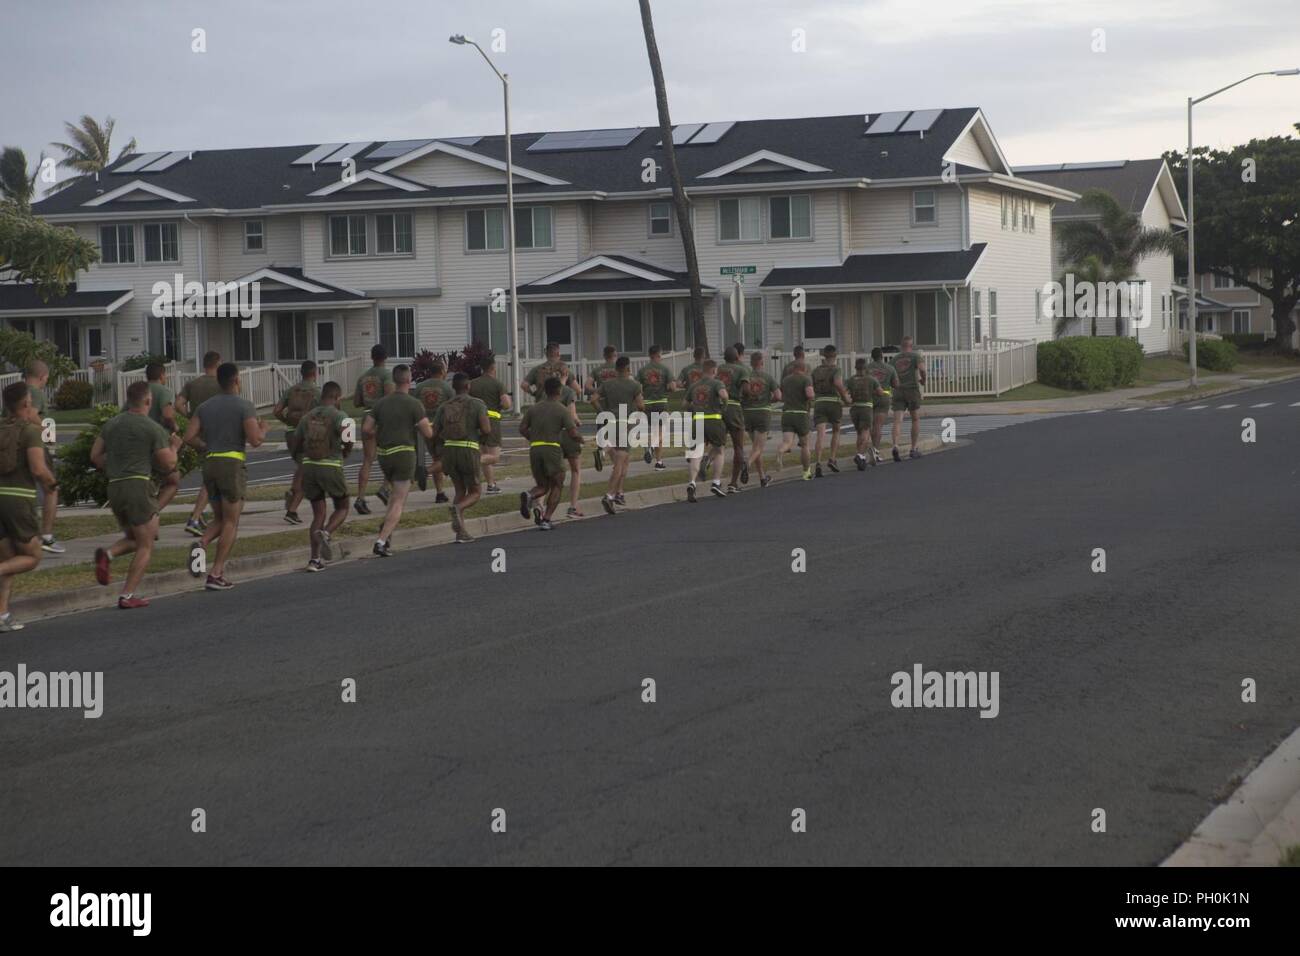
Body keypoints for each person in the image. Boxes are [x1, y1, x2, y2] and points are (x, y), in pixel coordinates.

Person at [91, 381, 181, 608]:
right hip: (138, 486)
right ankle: (127, 595)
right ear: (148, 401)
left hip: (115, 487)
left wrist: (114, 466)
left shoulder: (111, 424)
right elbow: (168, 463)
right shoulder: (152, 428)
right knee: (146, 544)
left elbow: (95, 456)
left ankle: (108, 555)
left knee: (135, 537)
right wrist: (175, 448)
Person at [184, 362, 270, 590]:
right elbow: (255, 440)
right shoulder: (244, 406)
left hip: (210, 463)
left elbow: (189, 436)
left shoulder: (204, 407)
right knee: (232, 521)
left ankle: (201, 544)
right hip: (232, 465)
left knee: (220, 518)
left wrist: (206, 445)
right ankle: (216, 572)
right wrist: (263, 429)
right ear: (236, 380)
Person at [0, 382, 57, 631]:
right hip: (18, 500)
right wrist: (51, 483)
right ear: (26, 404)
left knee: (9, 558)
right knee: (33, 556)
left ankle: (2, 615)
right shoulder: (30, 431)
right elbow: (37, 468)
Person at [364, 365, 433, 557]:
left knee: (393, 497)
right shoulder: (414, 404)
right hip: (404, 454)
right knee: (399, 501)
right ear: (409, 380)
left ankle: (386, 535)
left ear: (394, 380)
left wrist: (383, 431)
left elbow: (367, 429)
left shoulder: (380, 404)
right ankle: (381, 540)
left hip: (384, 455)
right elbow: (427, 432)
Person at [292, 381, 352, 572]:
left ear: (322, 396)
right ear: (337, 397)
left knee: (318, 513)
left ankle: (314, 559)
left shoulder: (307, 417)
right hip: (331, 465)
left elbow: (296, 442)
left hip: (309, 467)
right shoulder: (340, 415)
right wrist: (345, 452)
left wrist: (300, 459)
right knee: (342, 506)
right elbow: (349, 437)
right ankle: (326, 533)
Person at [429, 372, 492, 544]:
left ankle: (461, 532)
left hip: (449, 451)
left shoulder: (444, 406)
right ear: (468, 386)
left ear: (453, 388)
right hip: (468, 451)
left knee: (459, 490)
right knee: (475, 492)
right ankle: (458, 508)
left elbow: (433, 432)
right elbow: (486, 429)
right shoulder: (477, 404)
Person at [519, 377, 583, 531]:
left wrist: (532, 438)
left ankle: (529, 495)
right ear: (559, 391)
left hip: (535, 449)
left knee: (543, 485)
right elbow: (572, 432)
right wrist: (580, 439)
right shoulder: (562, 409)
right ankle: (546, 519)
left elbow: (522, 428)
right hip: (552, 450)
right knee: (557, 484)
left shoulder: (533, 409)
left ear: (545, 391)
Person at [176, 350, 222, 537]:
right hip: (217, 436)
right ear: (218, 363)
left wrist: (190, 417)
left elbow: (178, 404)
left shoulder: (192, 384)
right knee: (210, 480)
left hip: (197, 434)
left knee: (211, 477)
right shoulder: (222, 384)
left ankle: (200, 516)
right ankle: (195, 518)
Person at [594, 355, 644, 514]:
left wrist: (602, 412)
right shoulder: (634, 385)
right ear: (628, 369)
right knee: (620, 462)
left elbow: (593, 399)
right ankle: (609, 495)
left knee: (623, 460)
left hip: (610, 422)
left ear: (616, 369)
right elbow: (641, 405)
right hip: (626, 424)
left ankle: (618, 493)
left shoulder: (607, 384)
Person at [273, 359, 320, 525]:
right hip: (307, 435)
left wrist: (288, 421)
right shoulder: (316, 391)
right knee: (307, 473)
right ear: (315, 373)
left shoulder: (291, 390)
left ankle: (293, 492)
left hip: (291, 434)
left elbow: (276, 410)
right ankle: (292, 510)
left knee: (301, 468)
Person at [24, 360, 63, 555]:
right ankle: (46, 536)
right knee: (51, 487)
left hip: (15, 444)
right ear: (43, 377)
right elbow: (30, 414)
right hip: (35, 445)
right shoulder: (36, 393)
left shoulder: (17, 392)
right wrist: (47, 432)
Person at [353, 344, 394, 515]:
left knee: (368, 459)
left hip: (366, 417)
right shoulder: (386, 375)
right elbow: (390, 397)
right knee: (391, 454)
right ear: (386, 357)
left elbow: (356, 402)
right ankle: (384, 488)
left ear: (372, 357)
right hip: (382, 418)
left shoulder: (363, 377)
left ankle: (360, 497)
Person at [684, 360, 728, 502]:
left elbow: (684, 404)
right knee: (719, 450)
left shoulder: (694, 385)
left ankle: (692, 483)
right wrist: (723, 407)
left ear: (703, 370)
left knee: (696, 454)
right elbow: (724, 395)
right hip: (714, 420)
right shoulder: (717, 383)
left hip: (698, 420)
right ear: (714, 371)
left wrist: (695, 408)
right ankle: (716, 482)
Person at [468, 355, 511, 494]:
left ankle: (491, 485)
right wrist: (499, 405)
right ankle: (471, 462)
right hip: (492, 422)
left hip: (475, 423)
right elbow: (506, 404)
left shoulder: (472, 383)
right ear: (493, 367)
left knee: (484, 453)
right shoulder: (497, 384)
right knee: (494, 457)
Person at [413, 360, 453, 503]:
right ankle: (425, 472)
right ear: (442, 372)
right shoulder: (447, 388)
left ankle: (440, 493)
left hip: (424, 429)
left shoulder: (419, 388)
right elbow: (454, 407)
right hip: (441, 429)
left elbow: (414, 406)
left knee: (437, 459)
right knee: (447, 460)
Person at [742, 351, 781, 489]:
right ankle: (746, 464)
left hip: (748, 414)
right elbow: (778, 396)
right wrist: (767, 400)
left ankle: (762, 478)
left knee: (755, 448)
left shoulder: (746, 377)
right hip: (763, 413)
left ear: (751, 363)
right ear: (762, 362)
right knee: (758, 448)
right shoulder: (768, 377)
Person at [810, 345, 850, 477]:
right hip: (833, 401)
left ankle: (818, 462)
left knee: (820, 434)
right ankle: (832, 459)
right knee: (836, 430)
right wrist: (845, 398)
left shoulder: (816, 371)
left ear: (824, 356)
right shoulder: (836, 369)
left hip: (820, 402)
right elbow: (838, 384)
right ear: (835, 356)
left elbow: (811, 385)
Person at [716, 346, 750, 492]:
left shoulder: (719, 370)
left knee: (719, 444)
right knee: (738, 446)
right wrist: (743, 396)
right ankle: (733, 482)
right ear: (737, 357)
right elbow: (747, 390)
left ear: (724, 358)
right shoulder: (742, 369)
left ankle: (709, 461)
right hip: (734, 407)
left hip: (719, 408)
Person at [778, 358, 815, 480]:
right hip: (801, 414)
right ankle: (806, 472)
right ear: (803, 369)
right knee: (804, 445)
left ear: (793, 369)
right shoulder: (806, 379)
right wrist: (812, 397)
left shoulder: (785, 380)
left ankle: (781, 451)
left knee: (787, 442)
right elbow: (809, 394)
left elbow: (780, 395)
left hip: (787, 414)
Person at [891, 336, 927, 460]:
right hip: (911, 390)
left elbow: (891, 375)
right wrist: (923, 380)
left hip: (898, 391)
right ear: (911, 346)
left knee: (897, 421)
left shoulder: (894, 359)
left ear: (901, 346)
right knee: (915, 419)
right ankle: (913, 448)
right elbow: (922, 369)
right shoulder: (915, 356)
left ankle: (895, 445)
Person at [637, 344, 672, 468]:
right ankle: (652, 450)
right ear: (658, 355)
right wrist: (668, 388)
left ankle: (659, 462)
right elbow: (672, 386)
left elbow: (637, 388)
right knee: (661, 431)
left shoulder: (642, 370)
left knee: (654, 431)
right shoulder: (665, 369)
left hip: (648, 404)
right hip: (661, 402)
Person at [847, 357, 885, 471]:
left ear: (855, 368)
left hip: (854, 408)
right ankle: (860, 455)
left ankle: (861, 455)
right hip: (866, 407)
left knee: (859, 432)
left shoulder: (851, 380)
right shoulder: (871, 380)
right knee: (865, 432)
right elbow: (880, 392)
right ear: (866, 368)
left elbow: (845, 392)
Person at [866, 347, 900, 465]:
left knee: (870, 425)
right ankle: (875, 450)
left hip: (869, 397)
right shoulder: (890, 368)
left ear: (872, 356)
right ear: (882, 356)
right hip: (883, 397)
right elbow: (896, 384)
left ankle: (872, 449)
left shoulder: (867, 368)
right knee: (878, 426)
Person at [557, 377, 586, 517]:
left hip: (551, 435)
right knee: (575, 470)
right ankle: (573, 507)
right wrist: (578, 422)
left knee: (551, 473)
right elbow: (572, 416)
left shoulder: (544, 391)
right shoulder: (568, 392)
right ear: (566, 374)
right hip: (567, 434)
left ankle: (539, 504)